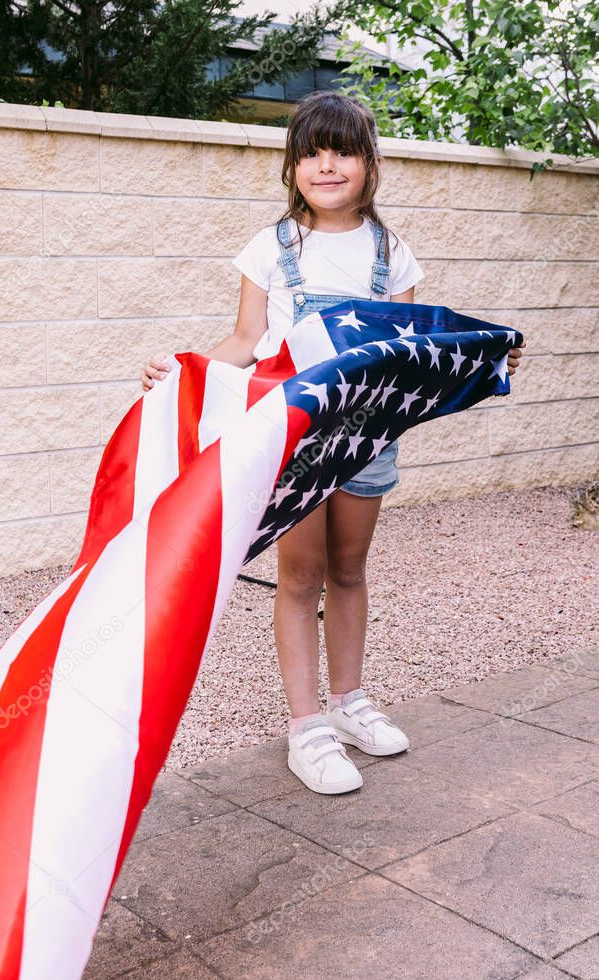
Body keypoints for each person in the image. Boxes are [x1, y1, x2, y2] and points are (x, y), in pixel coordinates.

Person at [140, 91, 525, 796]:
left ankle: (349, 703)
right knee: (299, 577)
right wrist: (185, 371)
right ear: (291, 166)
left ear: (369, 162)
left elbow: (417, 356)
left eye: (342, 150)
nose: (326, 165)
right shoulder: (271, 247)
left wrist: (484, 362)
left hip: (367, 439)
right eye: (310, 152)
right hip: (295, 436)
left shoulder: (391, 253)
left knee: (348, 570)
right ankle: (306, 725)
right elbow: (246, 340)